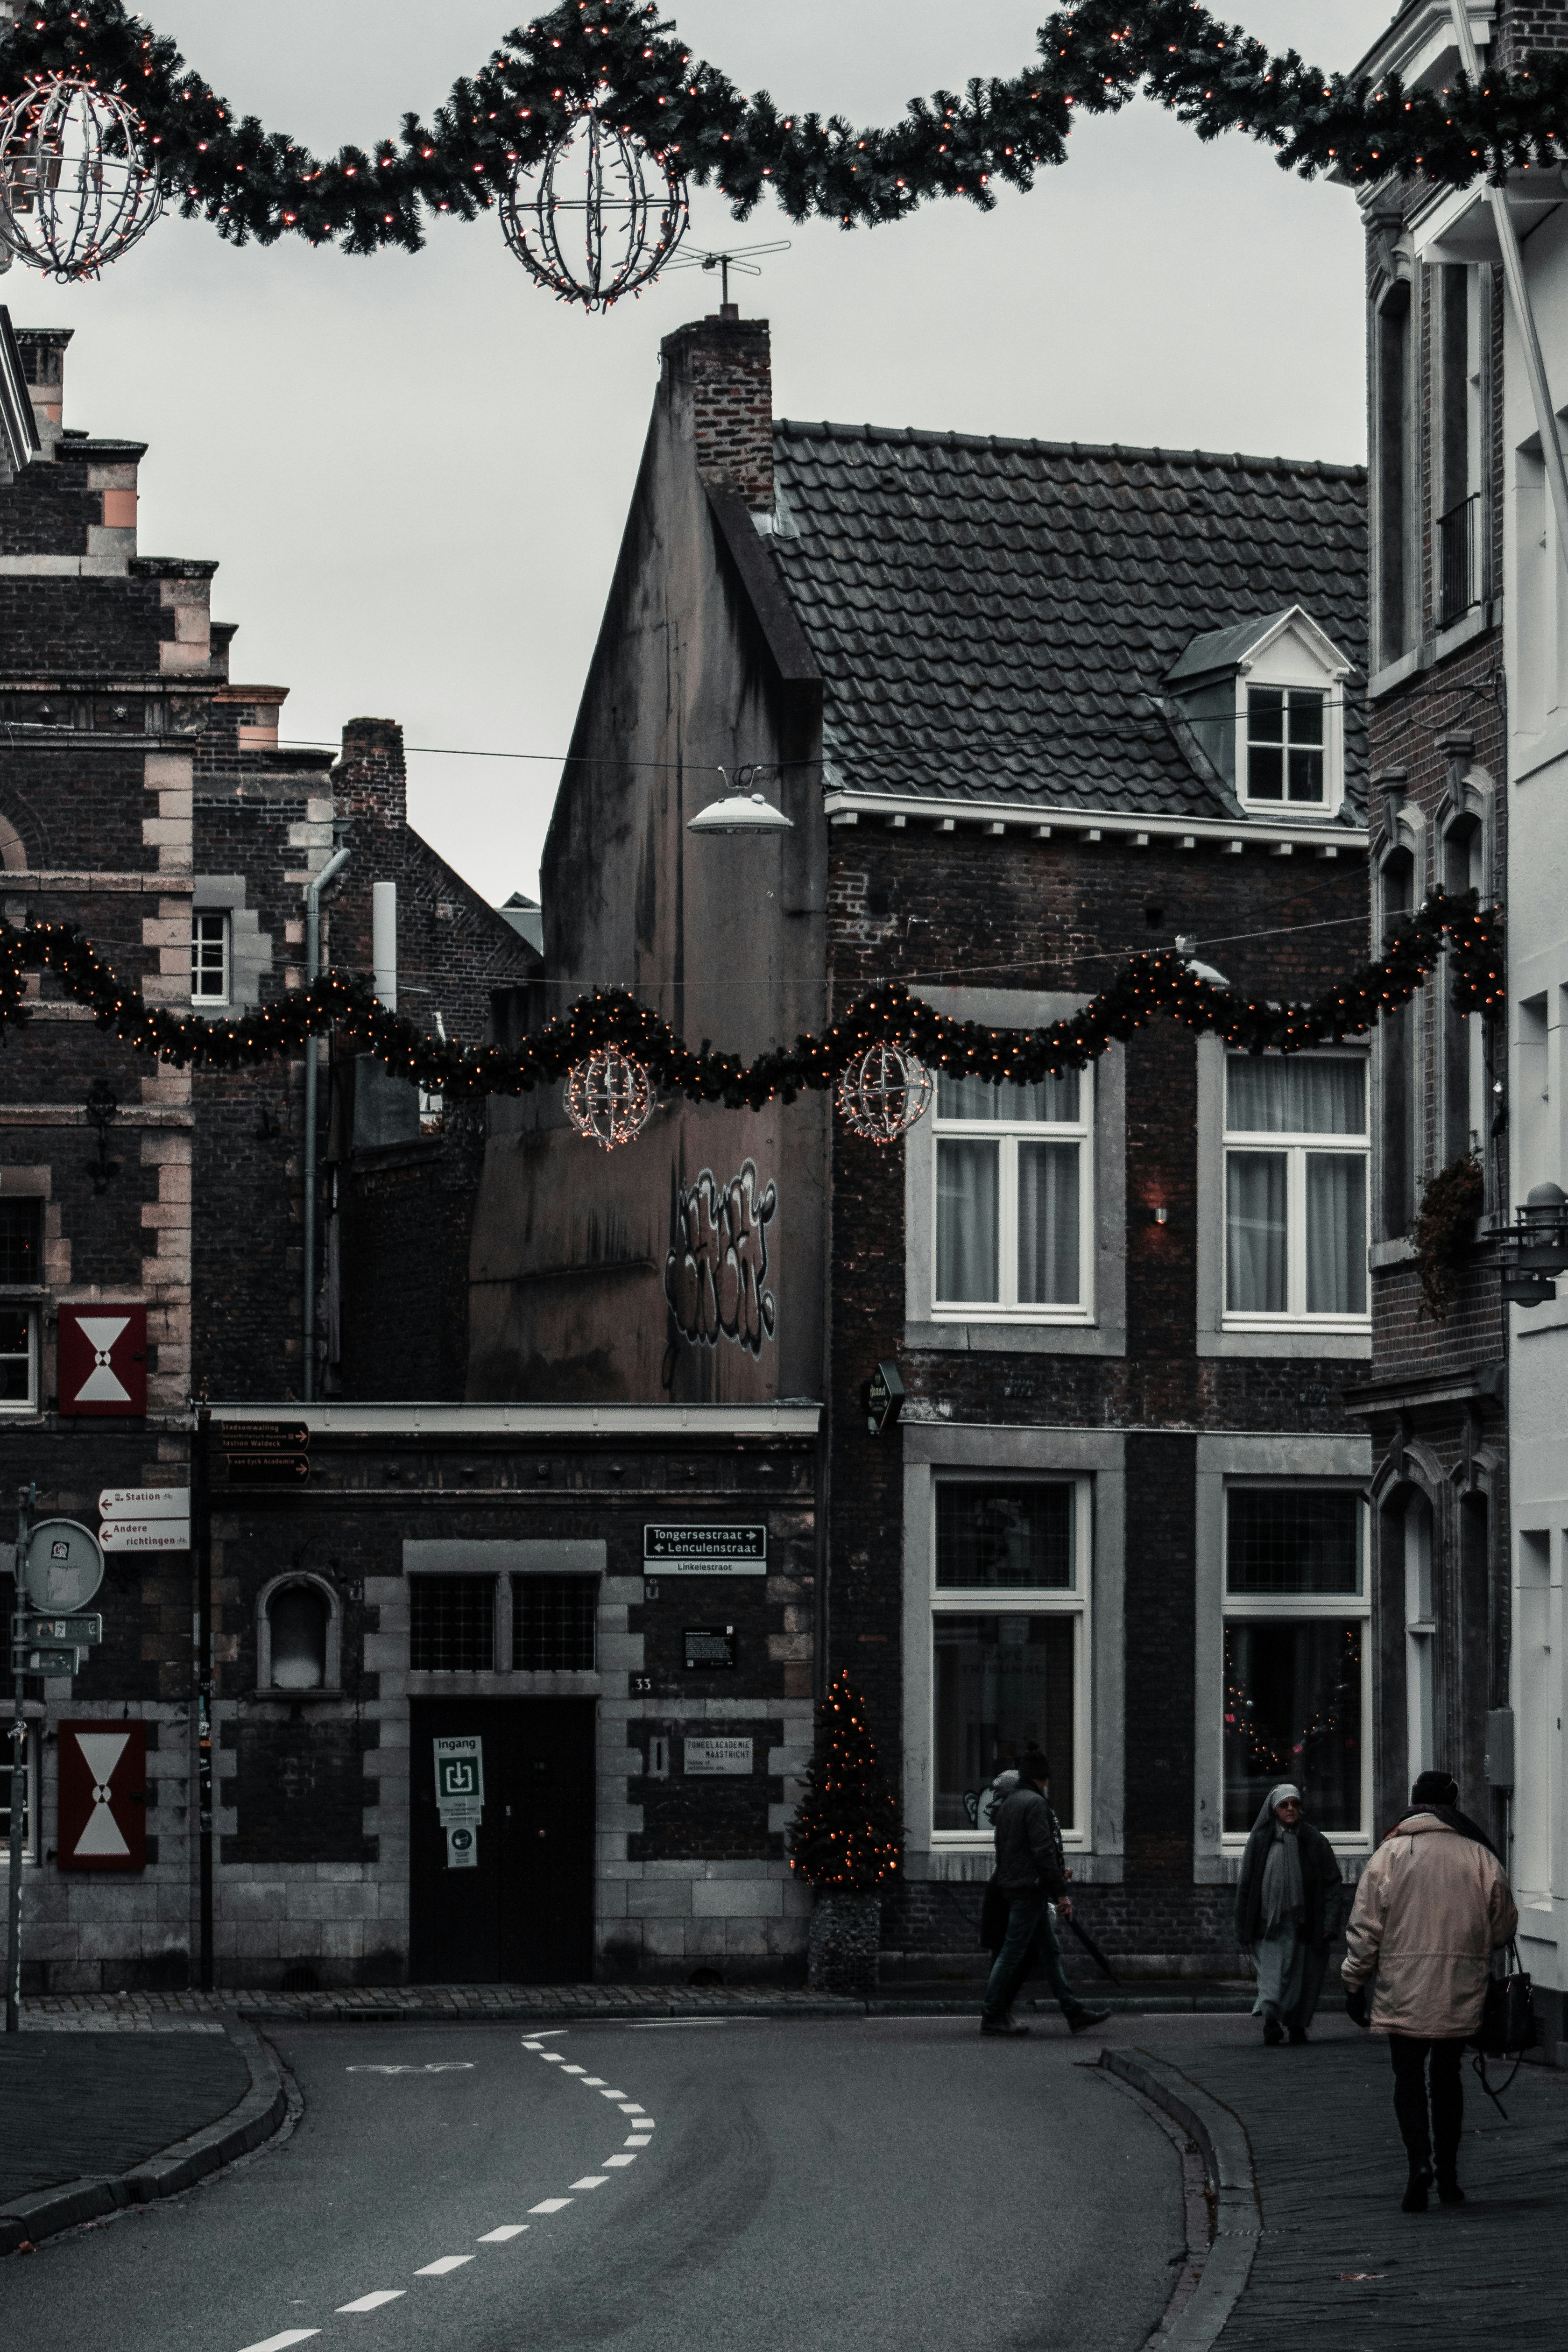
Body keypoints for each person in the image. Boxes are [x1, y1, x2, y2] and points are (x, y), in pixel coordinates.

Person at [1342, 1768, 1518, 2213]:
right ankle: (1450, 2174)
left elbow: (1365, 1929)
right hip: (1460, 1986)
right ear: (1452, 1803)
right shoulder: (1479, 1855)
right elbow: (1503, 1925)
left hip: (1404, 1988)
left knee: (1408, 2078)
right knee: (1447, 2077)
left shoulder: (1390, 1854)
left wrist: (1353, 1981)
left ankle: (1418, 2163)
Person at [980, 1749, 1110, 2038]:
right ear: (1045, 1778)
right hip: (1030, 1891)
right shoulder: (1036, 1805)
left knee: (1049, 1951)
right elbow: (1043, 1852)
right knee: (1012, 1952)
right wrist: (1061, 1893)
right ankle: (992, 2014)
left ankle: (1073, 2011)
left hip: (1018, 1888)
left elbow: (1011, 1852)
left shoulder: (1009, 1804)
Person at [1234, 1780, 1343, 2047]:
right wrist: (1242, 1926)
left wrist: (1329, 1922)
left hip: (1305, 1924)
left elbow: (1332, 1884)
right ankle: (1271, 2022)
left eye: (1295, 1804)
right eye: (1284, 1805)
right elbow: (1246, 1885)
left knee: (1303, 1978)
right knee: (1272, 1979)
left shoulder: (1314, 1841)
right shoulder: (1261, 1842)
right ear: (1275, 1810)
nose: (1291, 1809)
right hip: (1269, 1927)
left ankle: (1297, 2026)